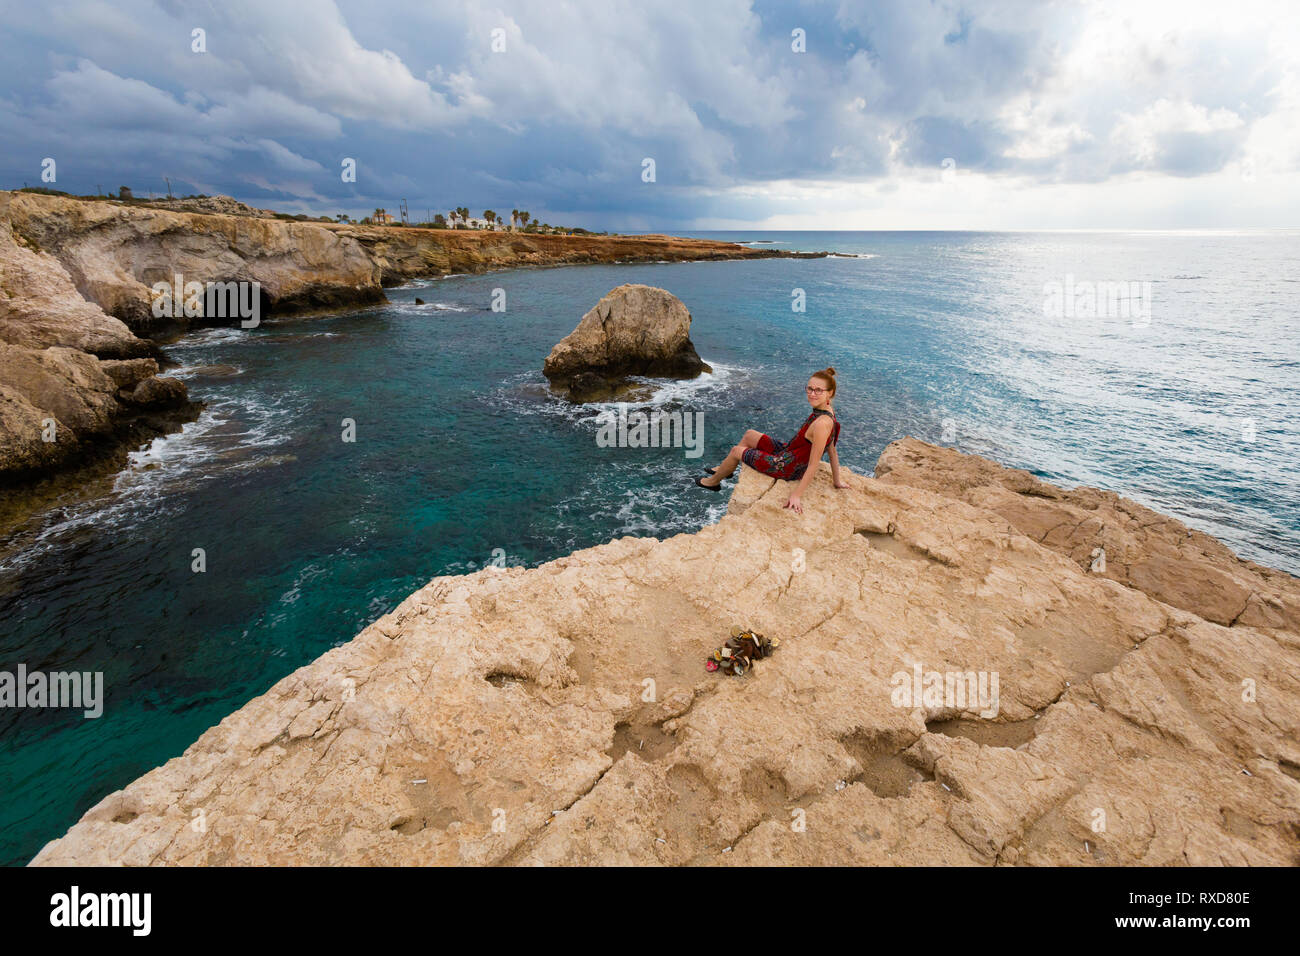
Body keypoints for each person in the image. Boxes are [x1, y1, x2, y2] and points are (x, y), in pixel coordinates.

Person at [695, 367, 848, 513]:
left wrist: (796, 495)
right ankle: (726, 469)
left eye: (818, 390)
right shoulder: (827, 412)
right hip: (788, 451)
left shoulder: (822, 424)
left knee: (736, 451)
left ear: (830, 393)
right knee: (749, 434)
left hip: (785, 466)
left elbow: (814, 464)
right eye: (810, 388)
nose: (812, 394)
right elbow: (832, 451)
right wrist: (837, 481)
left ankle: (713, 482)